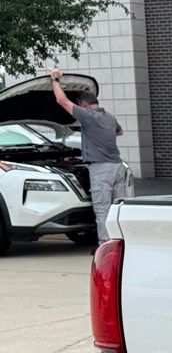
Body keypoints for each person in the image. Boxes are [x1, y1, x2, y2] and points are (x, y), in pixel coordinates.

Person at [48, 68, 128, 246]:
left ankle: (105, 247)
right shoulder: (109, 117)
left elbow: (61, 100)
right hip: (118, 167)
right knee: (118, 209)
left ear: (83, 104)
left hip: (101, 169)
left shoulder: (87, 115)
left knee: (102, 211)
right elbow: (120, 132)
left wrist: (55, 79)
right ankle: (122, 243)